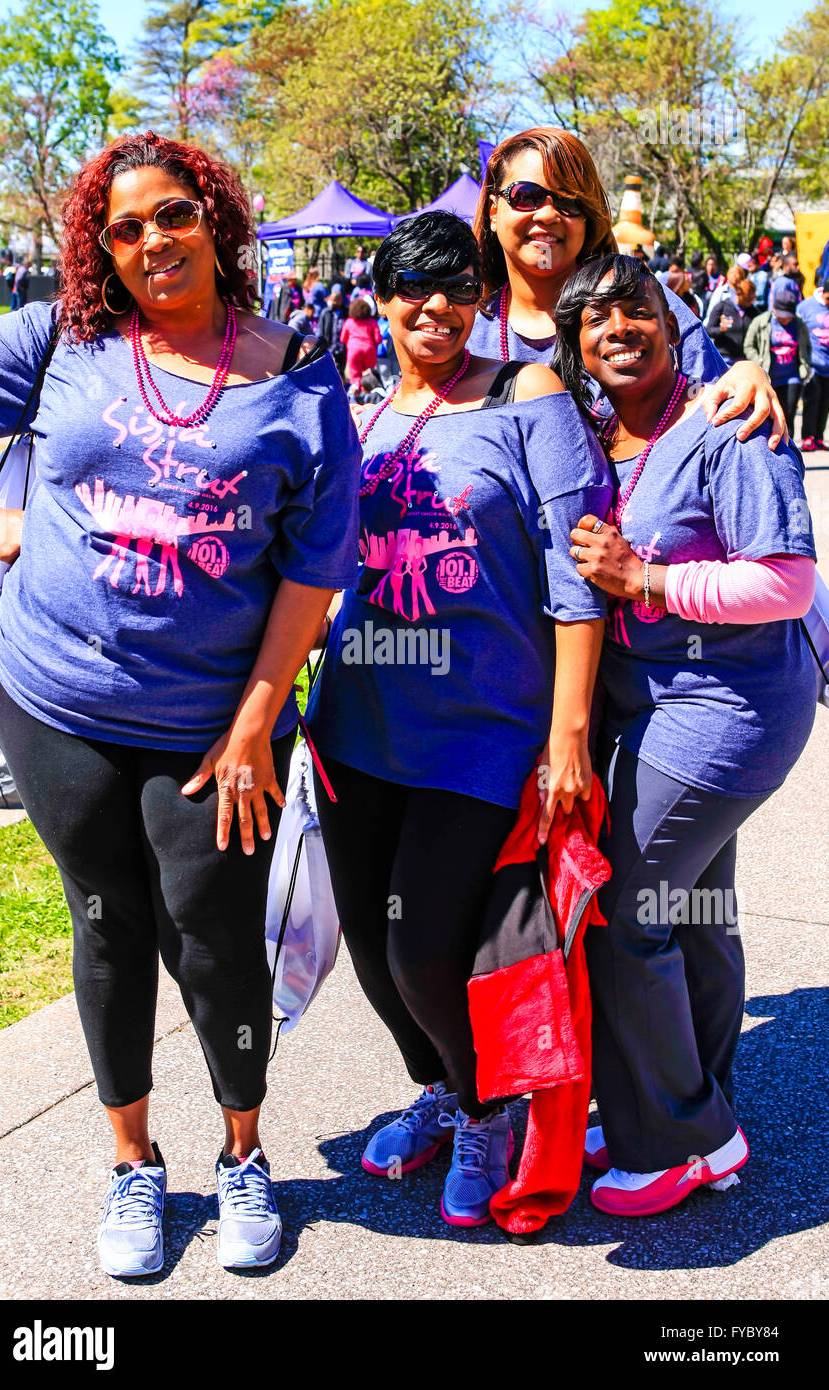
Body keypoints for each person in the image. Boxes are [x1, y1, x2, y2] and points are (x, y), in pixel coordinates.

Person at [0, 130, 360, 1277]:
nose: (152, 241)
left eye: (172, 215)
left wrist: (253, 718)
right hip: (57, 702)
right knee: (104, 925)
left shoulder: (295, 372)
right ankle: (135, 1166)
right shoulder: (64, 339)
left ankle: (243, 1153)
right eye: (123, 228)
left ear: (215, 219)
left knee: (217, 939)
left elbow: (313, 564)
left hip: (211, 724)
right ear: (102, 249)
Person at [305, 210, 613, 1228]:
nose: (431, 306)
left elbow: (578, 572)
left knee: (419, 946)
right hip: (356, 722)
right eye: (409, 287)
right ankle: (442, 1085)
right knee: (366, 940)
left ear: (482, 300)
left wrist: (567, 728)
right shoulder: (366, 412)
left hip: (481, 727)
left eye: (454, 287)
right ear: (379, 302)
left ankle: (488, 1110)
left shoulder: (525, 394)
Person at [554, 253, 816, 1216]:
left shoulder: (724, 423)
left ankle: (683, 1139)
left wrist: (647, 581)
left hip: (726, 712)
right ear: (576, 347)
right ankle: (688, 1096)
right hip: (654, 706)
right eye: (597, 321)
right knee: (697, 909)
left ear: (673, 325)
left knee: (629, 915)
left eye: (638, 311)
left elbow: (786, 581)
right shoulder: (593, 432)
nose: (618, 328)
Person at [469, 128, 787, 447]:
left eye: (568, 201)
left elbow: (730, 422)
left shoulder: (645, 309)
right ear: (494, 210)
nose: (549, 214)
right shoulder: (466, 328)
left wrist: (745, 374)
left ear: (587, 217)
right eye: (527, 196)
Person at [745, 288, 812, 436]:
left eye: (788, 316)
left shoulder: (798, 324)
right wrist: (759, 361)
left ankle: (790, 447)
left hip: (792, 376)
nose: (785, 319)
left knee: (789, 412)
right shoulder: (761, 322)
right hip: (769, 376)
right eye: (782, 316)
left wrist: (806, 367)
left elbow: (807, 346)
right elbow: (748, 346)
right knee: (771, 413)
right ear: (774, 309)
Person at [797, 270, 829, 449]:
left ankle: (818, 437)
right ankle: (807, 437)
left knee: (825, 402)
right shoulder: (806, 306)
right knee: (812, 399)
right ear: (823, 292)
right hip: (813, 363)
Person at [704, 267, 757, 366]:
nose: (750, 302)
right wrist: (721, 329)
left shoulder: (753, 312)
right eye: (747, 299)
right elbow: (708, 330)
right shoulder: (722, 307)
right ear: (739, 295)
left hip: (744, 360)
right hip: (725, 358)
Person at [340, 295, 382, 397]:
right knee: (369, 374)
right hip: (369, 350)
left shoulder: (349, 321)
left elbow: (342, 339)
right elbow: (378, 339)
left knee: (355, 376)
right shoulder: (372, 322)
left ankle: (356, 397)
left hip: (353, 351)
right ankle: (370, 397)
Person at [316, 286, 347, 373]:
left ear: (340, 301)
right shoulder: (325, 312)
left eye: (334, 300)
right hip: (329, 347)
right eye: (331, 300)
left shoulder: (347, 312)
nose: (332, 302)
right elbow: (320, 329)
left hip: (342, 348)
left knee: (341, 371)